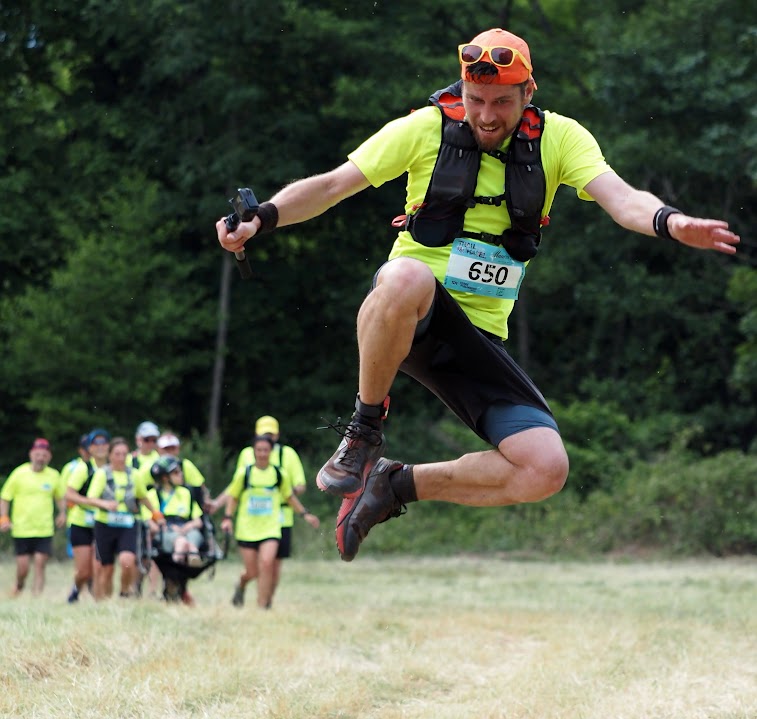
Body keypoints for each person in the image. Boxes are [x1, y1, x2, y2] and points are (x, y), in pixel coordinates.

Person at [216, 26, 740, 563]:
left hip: (479, 338)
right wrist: (263, 218)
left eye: (502, 103)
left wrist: (669, 222)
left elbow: (623, 199)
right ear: (461, 90)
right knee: (406, 276)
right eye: (475, 100)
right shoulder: (423, 129)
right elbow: (331, 185)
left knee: (545, 469)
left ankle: (393, 486)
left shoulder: (562, 139)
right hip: (409, 312)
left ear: (528, 94)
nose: (487, 115)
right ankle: (365, 428)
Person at [220, 435, 319, 609]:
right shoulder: (245, 473)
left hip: (271, 527)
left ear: (271, 452)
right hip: (247, 528)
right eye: (259, 450)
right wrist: (228, 518)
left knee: (267, 564)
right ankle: (242, 584)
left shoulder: (279, 474)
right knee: (253, 572)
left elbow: (289, 497)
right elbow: (233, 497)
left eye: (266, 450)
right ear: (254, 451)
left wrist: (305, 514)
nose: (262, 454)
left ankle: (263, 606)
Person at [77, 437, 164, 599]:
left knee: (127, 561)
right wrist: (105, 504)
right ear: (110, 456)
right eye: (117, 454)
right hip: (105, 524)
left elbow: (143, 497)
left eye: (124, 454)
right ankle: (106, 599)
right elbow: (91, 498)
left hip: (128, 523)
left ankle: (124, 591)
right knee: (106, 568)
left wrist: (156, 514)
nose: (121, 458)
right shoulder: (102, 474)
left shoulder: (135, 475)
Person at [0, 439, 66, 596]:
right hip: (21, 529)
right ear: (31, 454)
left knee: (40, 563)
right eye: (37, 454)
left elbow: (60, 497)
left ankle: (37, 597)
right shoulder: (19, 474)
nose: (40, 458)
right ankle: (20, 585)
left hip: (44, 528)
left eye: (44, 455)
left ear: (49, 456)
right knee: (23, 567)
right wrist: (4, 518)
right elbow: (5, 497)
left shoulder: (53, 475)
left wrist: (63, 513)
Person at [146, 455, 205, 606]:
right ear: (165, 478)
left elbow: (198, 519)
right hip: (166, 531)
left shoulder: (186, 493)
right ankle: (185, 556)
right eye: (176, 472)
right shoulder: (153, 495)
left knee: (191, 538)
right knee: (180, 541)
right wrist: (161, 528)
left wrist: (187, 527)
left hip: (187, 528)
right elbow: (147, 519)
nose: (181, 475)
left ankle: (187, 554)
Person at [63, 428, 111, 603]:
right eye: (95, 443)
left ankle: (99, 603)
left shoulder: (114, 469)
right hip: (81, 522)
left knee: (100, 566)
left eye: (104, 442)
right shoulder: (83, 469)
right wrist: (94, 502)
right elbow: (69, 494)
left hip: (104, 523)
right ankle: (76, 589)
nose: (100, 447)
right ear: (89, 448)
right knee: (84, 571)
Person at [59, 432, 91, 559]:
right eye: (86, 448)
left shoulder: (102, 466)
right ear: (80, 450)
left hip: (98, 519)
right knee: (79, 557)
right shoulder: (71, 467)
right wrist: (64, 511)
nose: (89, 451)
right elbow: (63, 492)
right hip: (76, 518)